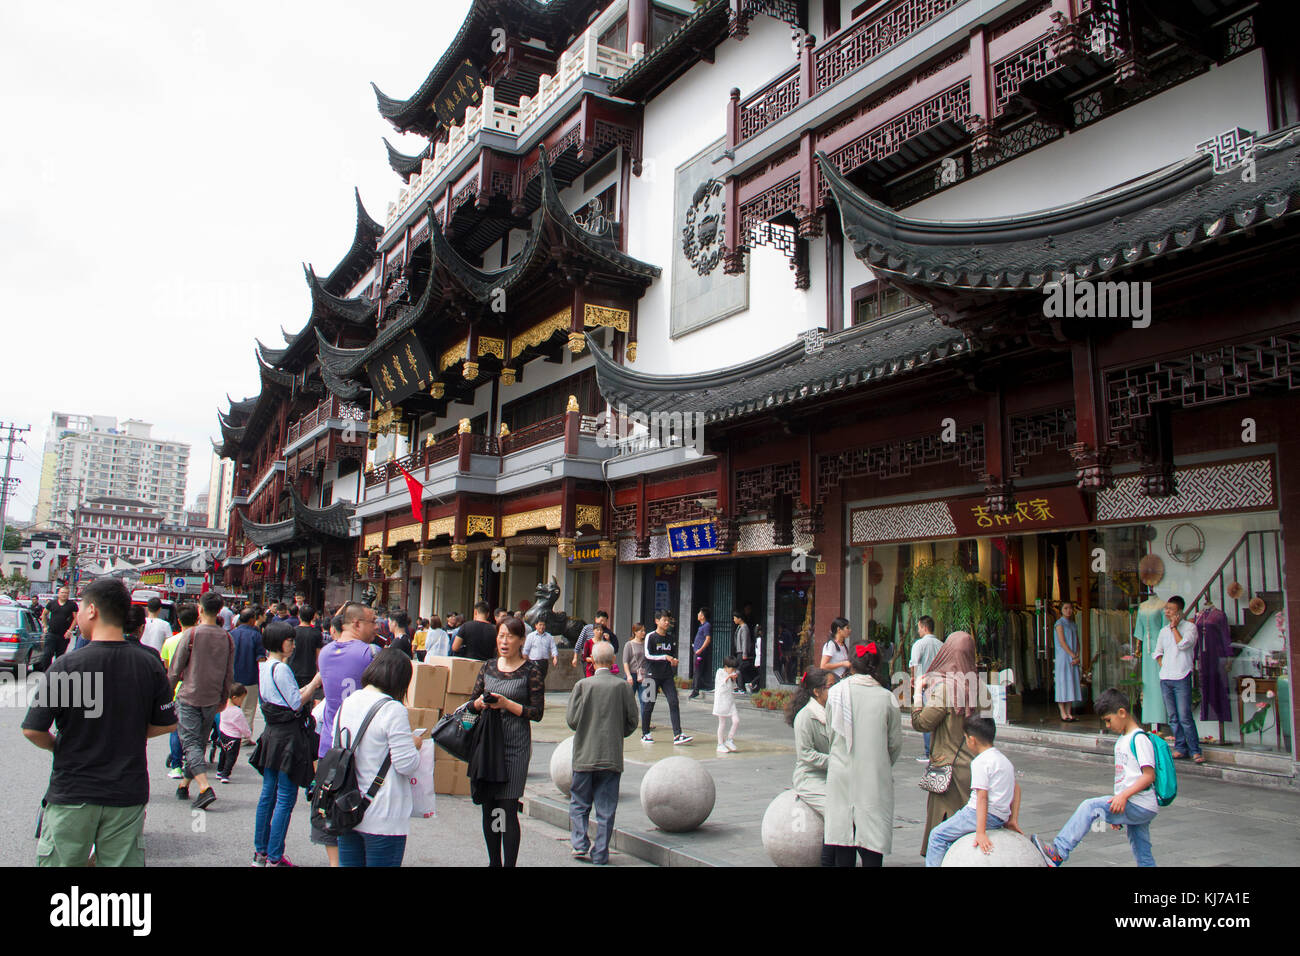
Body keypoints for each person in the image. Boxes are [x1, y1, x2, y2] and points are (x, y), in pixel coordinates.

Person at [22, 578, 176, 866]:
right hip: (126, 793)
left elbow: (33, 729)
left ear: (91, 610)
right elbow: (167, 722)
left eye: (79, 607)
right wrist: (130, 732)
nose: (76, 614)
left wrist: (58, 746)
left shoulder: (67, 666)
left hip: (73, 791)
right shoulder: (149, 665)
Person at [1032, 688, 1160, 867]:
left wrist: (1122, 798)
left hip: (1140, 804)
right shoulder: (1124, 739)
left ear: (1122, 712)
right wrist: (1118, 808)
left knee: (1090, 806)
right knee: (1142, 852)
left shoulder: (1139, 739)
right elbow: (1127, 778)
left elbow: (1149, 776)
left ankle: (1059, 851)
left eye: (1108, 720)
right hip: (1137, 804)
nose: (1108, 726)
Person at [329, 647, 423, 867]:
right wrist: (415, 745)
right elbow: (406, 764)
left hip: (347, 808)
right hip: (382, 815)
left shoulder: (348, 702)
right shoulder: (392, 709)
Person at [469, 617, 544, 867]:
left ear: (521, 640)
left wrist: (507, 704)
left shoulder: (531, 670)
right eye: (501, 636)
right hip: (488, 747)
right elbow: (471, 706)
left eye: (510, 636)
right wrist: (480, 703)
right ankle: (494, 862)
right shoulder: (488, 667)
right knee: (489, 806)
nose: (504, 641)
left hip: (515, 746)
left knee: (508, 807)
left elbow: (537, 712)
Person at [823, 642, 901, 866]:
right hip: (873, 778)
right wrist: (880, 762)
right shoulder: (886, 698)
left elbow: (830, 734)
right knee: (872, 846)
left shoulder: (836, 693)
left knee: (843, 846)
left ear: (852, 664)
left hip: (840, 775)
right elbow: (894, 744)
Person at [250, 622, 321, 867]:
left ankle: (260, 852)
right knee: (285, 798)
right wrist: (314, 683)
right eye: (289, 640)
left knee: (267, 795)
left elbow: (281, 700)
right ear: (280, 642)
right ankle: (275, 855)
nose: (293, 644)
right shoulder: (281, 669)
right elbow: (294, 703)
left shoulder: (264, 667)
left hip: (272, 735)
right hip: (288, 740)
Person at [565, 641, 638, 864]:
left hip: (584, 755)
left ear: (592, 661)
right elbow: (633, 721)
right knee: (606, 809)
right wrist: (617, 732)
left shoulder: (582, 685)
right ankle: (600, 852)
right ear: (613, 661)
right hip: (611, 756)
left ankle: (579, 844)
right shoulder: (623, 687)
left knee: (579, 803)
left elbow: (572, 720)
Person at [911, 630, 978, 860]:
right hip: (974, 773)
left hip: (947, 773)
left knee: (943, 834)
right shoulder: (981, 689)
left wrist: (918, 696)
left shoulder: (946, 690)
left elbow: (921, 723)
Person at [924, 716, 1022, 867]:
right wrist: (1012, 819)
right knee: (952, 838)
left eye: (965, 738)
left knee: (937, 836)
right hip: (1000, 817)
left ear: (972, 740)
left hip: (977, 815)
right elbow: (1016, 789)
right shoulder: (1003, 760)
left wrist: (981, 832)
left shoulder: (980, 762)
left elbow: (982, 797)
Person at [168, 591, 234, 811]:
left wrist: (167, 694)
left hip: (189, 695)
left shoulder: (192, 634)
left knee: (191, 743)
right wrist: (224, 698)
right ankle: (184, 785)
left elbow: (175, 669)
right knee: (198, 743)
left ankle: (205, 788)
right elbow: (228, 672)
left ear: (200, 609)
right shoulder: (226, 637)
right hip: (212, 698)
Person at [786, 667, 836, 864]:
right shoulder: (805, 717)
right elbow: (806, 755)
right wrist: (836, 761)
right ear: (817, 691)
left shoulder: (832, 712)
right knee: (835, 811)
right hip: (810, 777)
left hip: (833, 775)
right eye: (831, 686)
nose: (835, 690)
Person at [1154, 595, 1203, 763]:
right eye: (1166, 609)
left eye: (1171, 609)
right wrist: (1164, 665)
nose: (1167, 612)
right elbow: (1157, 651)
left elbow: (1183, 645)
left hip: (1182, 676)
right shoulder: (1163, 631)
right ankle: (1180, 748)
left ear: (1180, 612)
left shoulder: (1190, 628)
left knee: (1185, 716)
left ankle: (1195, 750)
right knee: (1173, 716)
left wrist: (1174, 628)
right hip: (1166, 678)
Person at [641, 610, 691, 745]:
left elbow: (672, 655)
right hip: (651, 676)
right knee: (648, 704)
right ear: (657, 621)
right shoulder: (650, 637)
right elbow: (648, 655)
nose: (667, 622)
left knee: (674, 702)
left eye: (668, 620)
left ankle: (678, 734)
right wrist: (665, 657)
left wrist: (673, 660)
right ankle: (645, 733)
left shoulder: (671, 638)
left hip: (667, 676)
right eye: (664, 620)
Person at [161, 603, 198, 780]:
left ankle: (176, 766)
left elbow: (168, 669)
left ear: (178, 621)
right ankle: (193, 765)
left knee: (176, 730)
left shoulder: (170, 642)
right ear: (197, 619)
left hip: (176, 691)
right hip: (197, 691)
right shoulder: (201, 639)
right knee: (194, 732)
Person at [909, 615, 943, 761]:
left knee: (926, 718)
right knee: (939, 717)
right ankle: (938, 749)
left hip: (925, 685)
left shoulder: (919, 644)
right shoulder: (942, 644)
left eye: (919, 627)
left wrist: (913, 679)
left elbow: (914, 664)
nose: (918, 630)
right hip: (941, 685)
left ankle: (929, 752)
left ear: (924, 627)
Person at [229, 608, 266, 737]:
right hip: (250, 677)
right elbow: (261, 657)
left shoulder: (231, 634)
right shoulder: (256, 635)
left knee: (231, 707)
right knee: (248, 708)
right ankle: (244, 736)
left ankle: (230, 732)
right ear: (252, 620)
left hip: (232, 678)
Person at [215, 684, 254, 783]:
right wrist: (248, 735)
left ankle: (219, 770)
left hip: (223, 734)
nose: (242, 702)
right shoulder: (237, 712)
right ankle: (225, 774)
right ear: (235, 697)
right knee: (231, 757)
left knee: (223, 754)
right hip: (234, 738)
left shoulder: (223, 707)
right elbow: (243, 726)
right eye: (241, 699)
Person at [37, 585, 78, 669]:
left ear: (68, 594)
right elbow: (44, 614)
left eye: (66, 593)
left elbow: (76, 618)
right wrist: (45, 626)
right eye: (62, 592)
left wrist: (70, 630)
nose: (64, 594)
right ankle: (46, 672)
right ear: (58, 593)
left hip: (64, 635)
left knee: (60, 656)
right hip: (51, 633)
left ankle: (57, 673)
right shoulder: (52, 603)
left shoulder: (72, 605)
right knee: (47, 654)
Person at [1054, 600, 1083, 721]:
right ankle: (1062, 712)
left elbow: (1077, 641)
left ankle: (1069, 711)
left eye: (1070, 608)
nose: (1068, 611)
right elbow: (1062, 642)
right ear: (1061, 610)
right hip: (1063, 657)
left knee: (1071, 682)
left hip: (1072, 657)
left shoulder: (1073, 624)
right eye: (1065, 608)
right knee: (1062, 682)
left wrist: (1077, 654)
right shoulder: (1059, 624)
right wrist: (1073, 655)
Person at [289, 605, 324, 690]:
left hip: (293, 670)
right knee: (307, 698)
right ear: (313, 617)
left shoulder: (292, 631)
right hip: (309, 671)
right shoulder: (317, 633)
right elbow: (318, 655)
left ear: (299, 616)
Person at [713, 655, 741, 753]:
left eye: (734, 669)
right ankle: (720, 744)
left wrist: (733, 679)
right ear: (725, 666)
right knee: (722, 723)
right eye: (731, 668)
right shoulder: (720, 672)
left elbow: (733, 687)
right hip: (721, 702)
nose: (733, 671)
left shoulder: (731, 675)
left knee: (736, 720)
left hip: (730, 701)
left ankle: (729, 739)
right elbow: (720, 685)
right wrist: (729, 677)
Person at [688, 607, 712, 700]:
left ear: (702, 616)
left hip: (700, 653)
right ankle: (696, 687)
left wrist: (700, 650)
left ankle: (696, 690)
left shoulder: (706, 625)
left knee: (697, 670)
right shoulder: (701, 626)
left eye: (699, 613)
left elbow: (708, 639)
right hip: (697, 651)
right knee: (696, 670)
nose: (698, 614)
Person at [622, 623, 647, 707]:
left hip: (643, 675)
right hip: (632, 675)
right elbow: (625, 662)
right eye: (641, 631)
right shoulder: (629, 644)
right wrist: (628, 676)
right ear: (635, 632)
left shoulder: (646, 644)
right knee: (628, 701)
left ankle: (645, 720)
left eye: (644, 630)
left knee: (645, 701)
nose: (644, 632)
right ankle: (628, 719)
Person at [819, 617, 851, 681]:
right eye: (847, 628)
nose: (850, 630)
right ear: (839, 629)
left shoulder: (844, 646)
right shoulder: (831, 645)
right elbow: (823, 666)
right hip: (835, 680)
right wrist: (842, 663)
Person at [733, 610, 757, 693]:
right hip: (739, 651)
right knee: (741, 670)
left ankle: (741, 687)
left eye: (735, 618)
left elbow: (745, 641)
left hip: (742, 652)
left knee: (739, 670)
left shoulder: (744, 628)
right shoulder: (739, 627)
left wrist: (744, 653)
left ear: (740, 619)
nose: (734, 620)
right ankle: (744, 685)